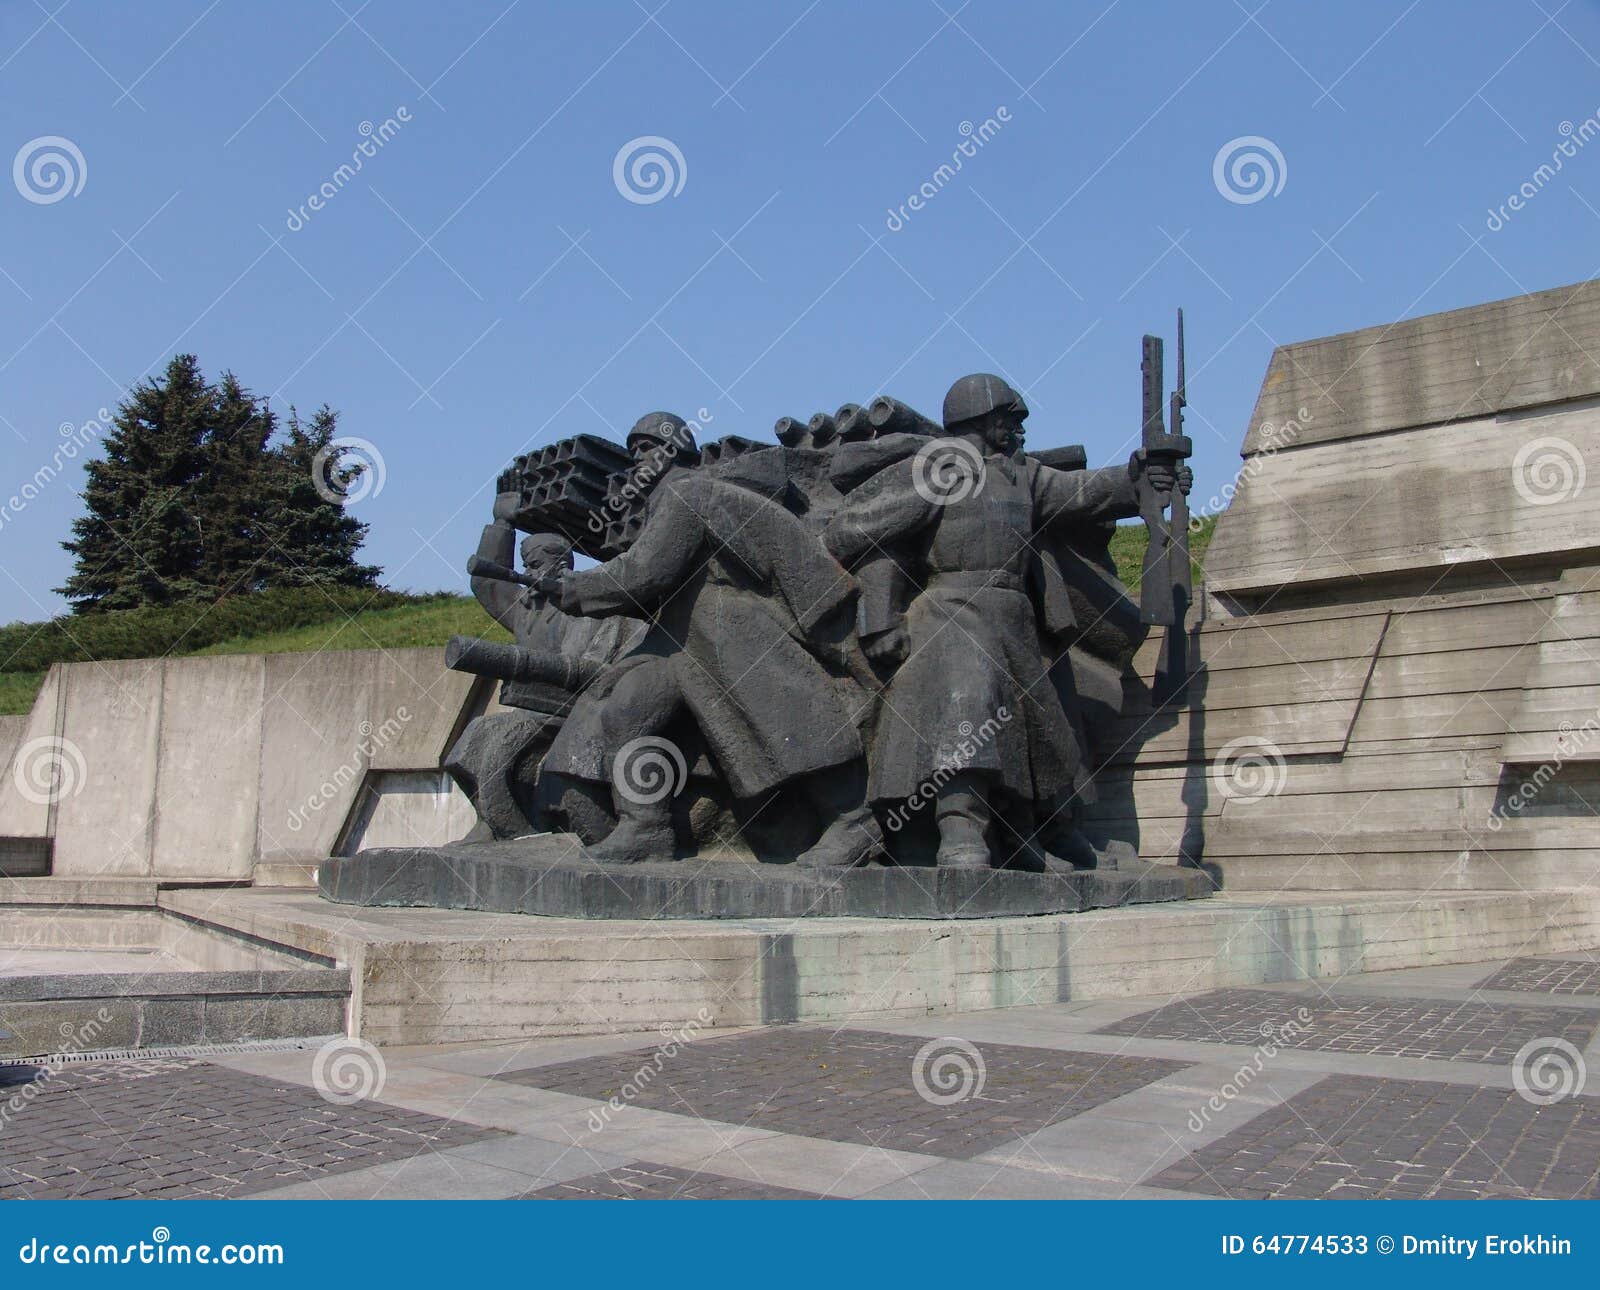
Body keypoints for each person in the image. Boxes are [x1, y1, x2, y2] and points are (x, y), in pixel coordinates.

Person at [824, 372, 1184, 869]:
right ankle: (960, 831)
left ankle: (1037, 834)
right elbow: (865, 533)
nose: (1019, 427)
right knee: (967, 708)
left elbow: (1080, 493)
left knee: (1044, 731)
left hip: (1013, 617)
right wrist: (880, 621)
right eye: (1009, 418)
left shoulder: (1022, 474)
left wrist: (1139, 476)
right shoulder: (939, 466)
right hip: (952, 613)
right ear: (979, 416)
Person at [538, 418, 878, 867]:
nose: (638, 458)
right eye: (634, 449)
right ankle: (646, 827)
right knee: (628, 709)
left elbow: (645, 572)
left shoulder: (688, 494)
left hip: (728, 626)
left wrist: (575, 588)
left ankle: (854, 820)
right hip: (679, 634)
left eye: (648, 447)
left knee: (789, 723)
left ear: (676, 449)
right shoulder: (665, 502)